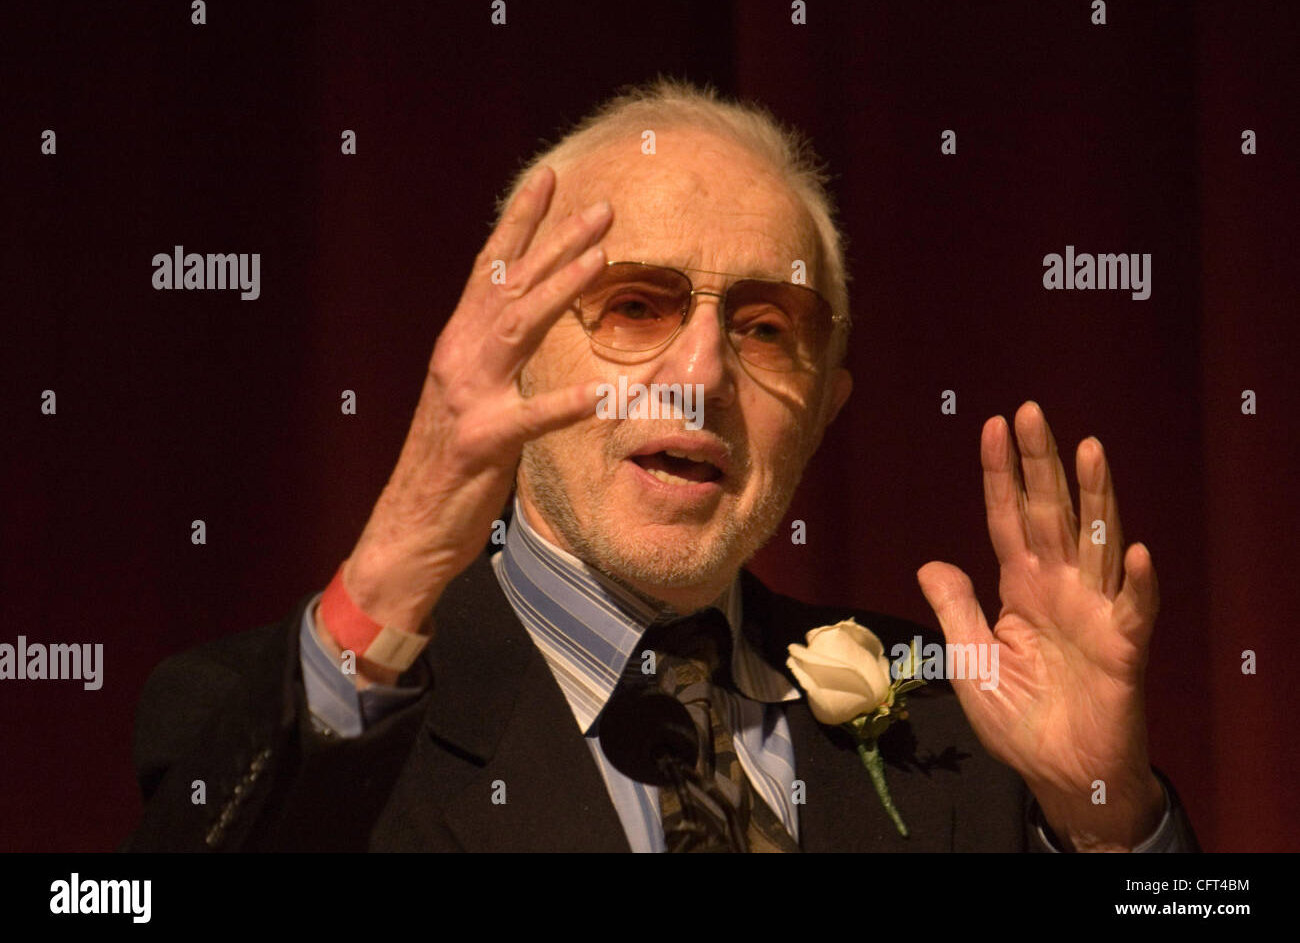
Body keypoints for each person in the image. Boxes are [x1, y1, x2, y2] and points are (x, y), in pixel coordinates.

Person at [126, 79, 1197, 852]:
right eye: (635, 305)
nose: (700, 373)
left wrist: (1104, 817)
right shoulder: (296, 711)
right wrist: (393, 567)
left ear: (824, 410)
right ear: (515, 346)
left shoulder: (967, 720)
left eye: (766, 326)